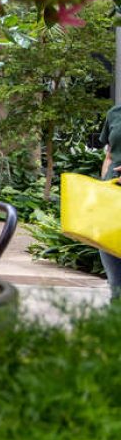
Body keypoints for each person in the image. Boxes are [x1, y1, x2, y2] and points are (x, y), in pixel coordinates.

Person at [98, 101, 121, 301]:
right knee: (116, 284)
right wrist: (104, 182)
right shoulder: (115, 113)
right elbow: (110, 153)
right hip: (112, 199)